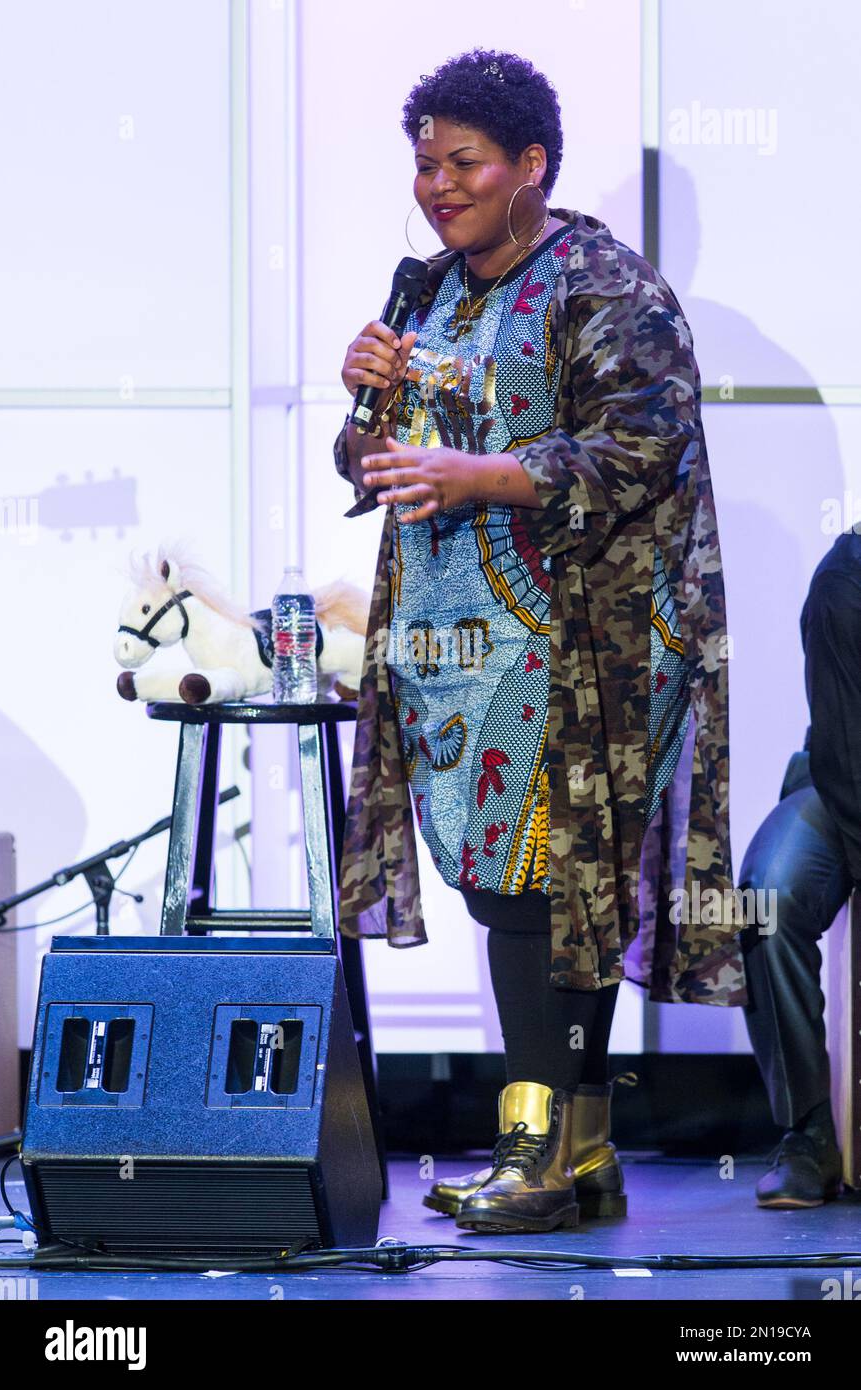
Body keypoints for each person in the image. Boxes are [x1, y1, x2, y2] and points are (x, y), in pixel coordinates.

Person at [333, 48, 746, 1235]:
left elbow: (638, 450)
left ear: (530, 165)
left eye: (461, 163)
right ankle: (570, 1155)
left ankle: (548, 1158)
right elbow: (372, 469)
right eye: (424, 164)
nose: (436, 186)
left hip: (571, 644)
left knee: (546, 901)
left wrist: (484, 471)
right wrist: (359, 404)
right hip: (448, 645)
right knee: (497, 892)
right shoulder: (422, 291)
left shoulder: (605, 284)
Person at [738, 532, 861, 1207]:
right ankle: (807, 1132)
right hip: (843, 784)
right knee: (766, 898)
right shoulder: (846, 580)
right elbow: (847, 754)